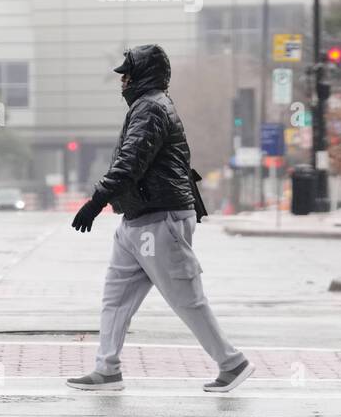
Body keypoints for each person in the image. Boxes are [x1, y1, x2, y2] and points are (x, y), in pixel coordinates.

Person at [66, 44, 253, 394]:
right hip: (138, 217)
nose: (121, 80)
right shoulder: (145, 106)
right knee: (115, 297)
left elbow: (130, 163)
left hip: (160, 217)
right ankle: (107, 370)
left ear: (141, 75)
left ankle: (232, 363)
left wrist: (96, 201)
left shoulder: (151, 109)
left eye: (126, 73)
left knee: (186, 297)